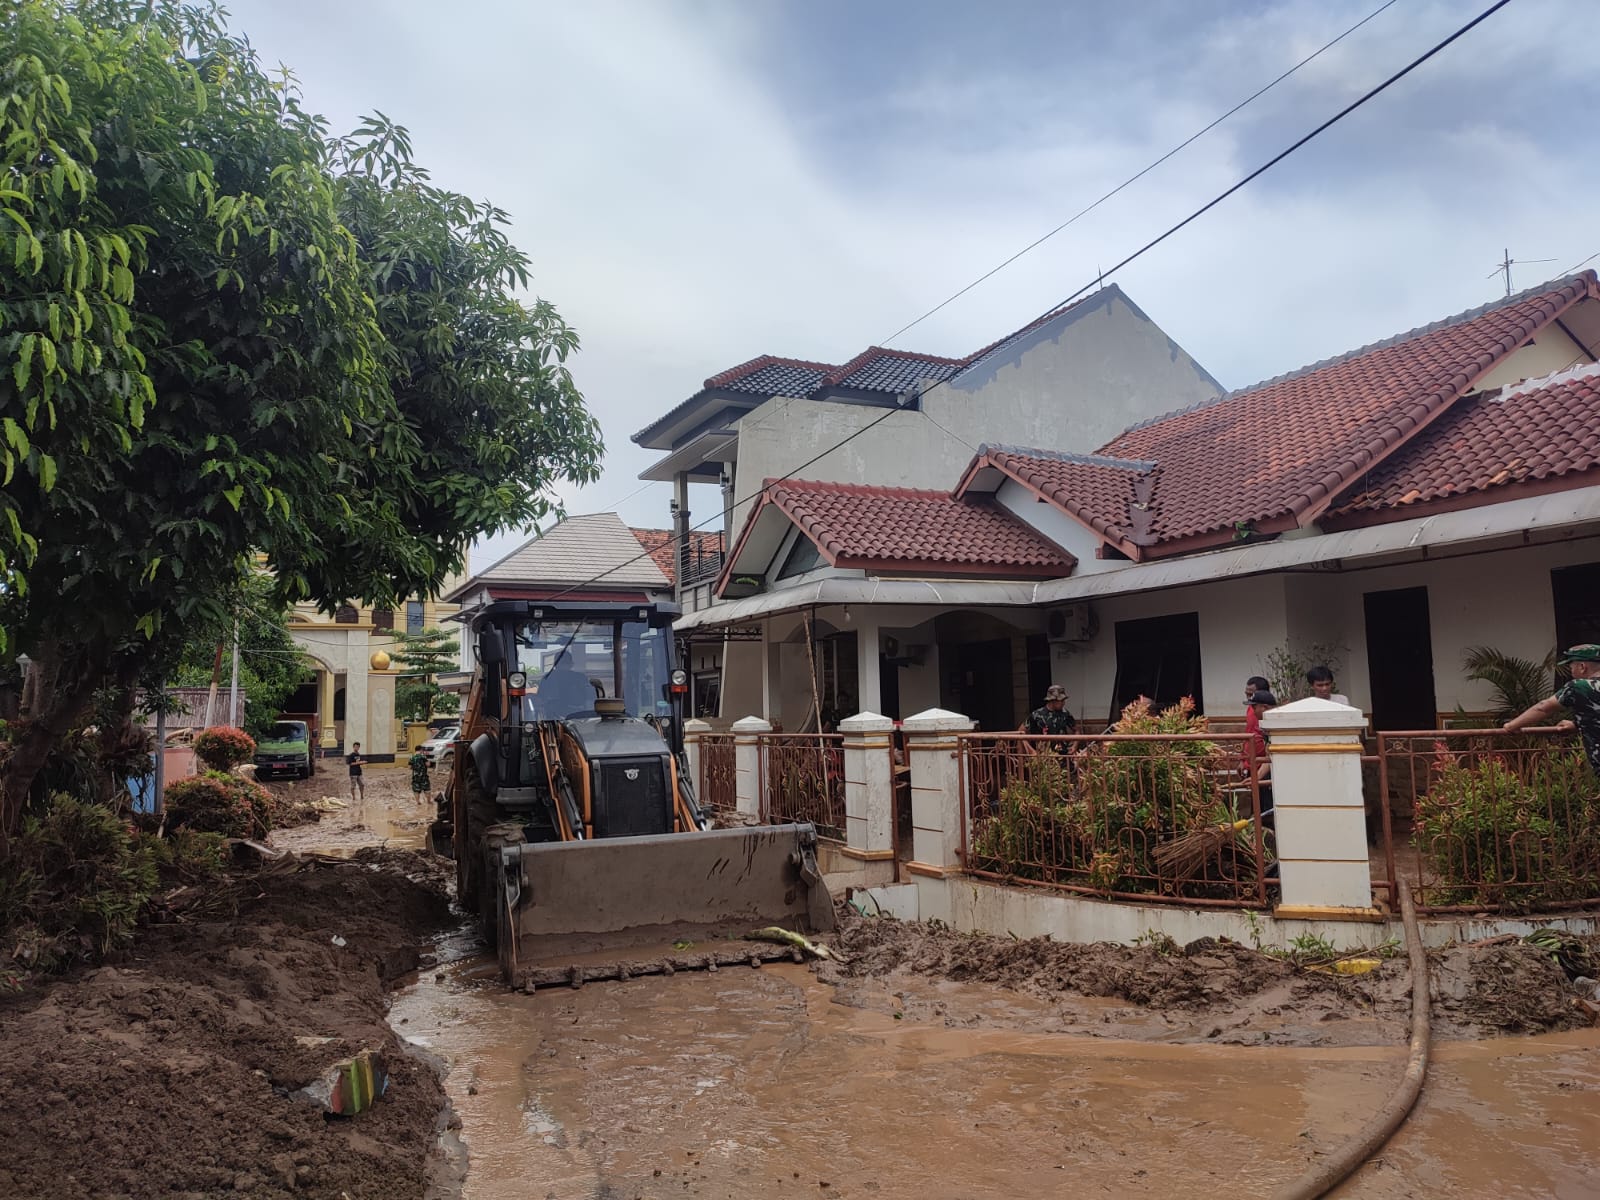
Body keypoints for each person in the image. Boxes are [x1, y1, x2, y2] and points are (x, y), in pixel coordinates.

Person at [1504, 644, 1600, 775]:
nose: (1571, 672)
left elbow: (1543, 708)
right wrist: (1577, 724)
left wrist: (1511, 725)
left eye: (1571, 667)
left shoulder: (1580, 687)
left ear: (1582, 667)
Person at [535, 651, 593, 719]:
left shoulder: (547, 678)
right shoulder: (580, 678)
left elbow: (539, 700)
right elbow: (590, 700)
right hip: (578, 718)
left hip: (553, 720)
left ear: (555, 664)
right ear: (571, 664)